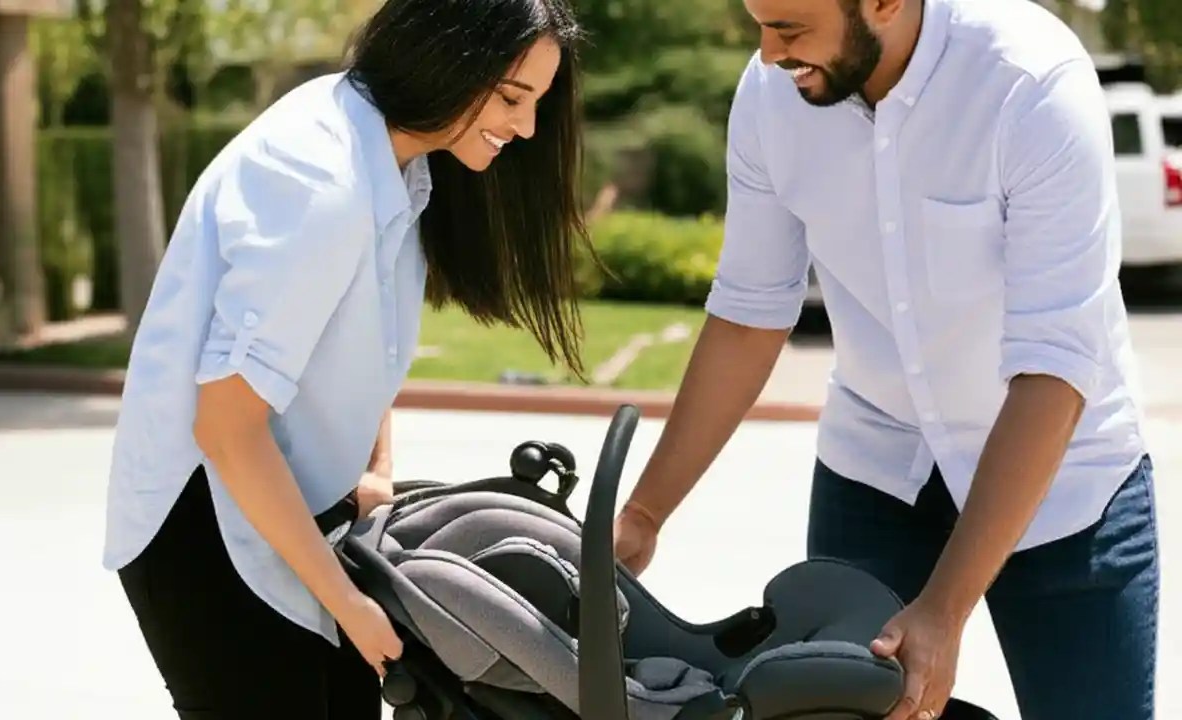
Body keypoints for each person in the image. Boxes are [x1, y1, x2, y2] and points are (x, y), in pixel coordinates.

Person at [611, 1, 1159, 719]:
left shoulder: (1033, 83)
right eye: (759, 22)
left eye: (789, 27)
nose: (768, 53)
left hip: (1066, 487)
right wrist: (645, 514)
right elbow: (750, 311)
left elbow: (1053, 368)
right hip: (877, 473)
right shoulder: (771, 99)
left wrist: (945, 610)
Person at [100, 0, 590, 717]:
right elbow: (226, 428)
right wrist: (348, 603)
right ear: (446, 56)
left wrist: (375, 467)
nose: (526, 127)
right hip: (211, 531)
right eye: (514, 97)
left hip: (292, 510)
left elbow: (362, 336)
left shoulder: (394, 156)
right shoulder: (319, 184)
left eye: (536, 102)